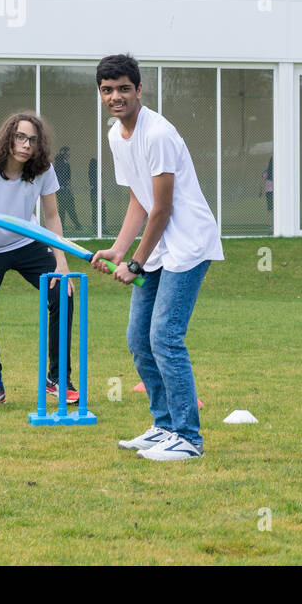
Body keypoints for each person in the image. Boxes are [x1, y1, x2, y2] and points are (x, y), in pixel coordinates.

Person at [90, 54, 224, 461]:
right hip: (159, 246)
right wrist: (118, 249)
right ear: (101, 94)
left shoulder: (158, 134)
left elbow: (162, 208)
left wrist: (135, 262)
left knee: (165, 337)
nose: (116, 97)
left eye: (123, 89)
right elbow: (139, 200)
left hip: (188, 245)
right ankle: (164, 425)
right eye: (107, 90)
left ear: (139, 90)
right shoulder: (117, 136)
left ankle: (188, 438)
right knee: (139, 340)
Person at [0, 112, 78, 408]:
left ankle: (57, 379)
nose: (26, 145)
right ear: (8, 137)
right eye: (20, 137)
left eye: (33, 140)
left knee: (61, 295)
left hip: (27, 243)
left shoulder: (42, 170)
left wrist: (61, 263)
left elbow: (52, 217)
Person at [53, 146, 82, 233]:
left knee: (62, 208)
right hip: (65, 189)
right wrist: (71, 189)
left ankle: (62, 226)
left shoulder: (57, 163)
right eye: (68, 153)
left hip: (59, 189)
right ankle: (77, 225)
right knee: (71, 207)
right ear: (65, 154)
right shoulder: (65, 164)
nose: (69, 154)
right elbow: (68, 179)